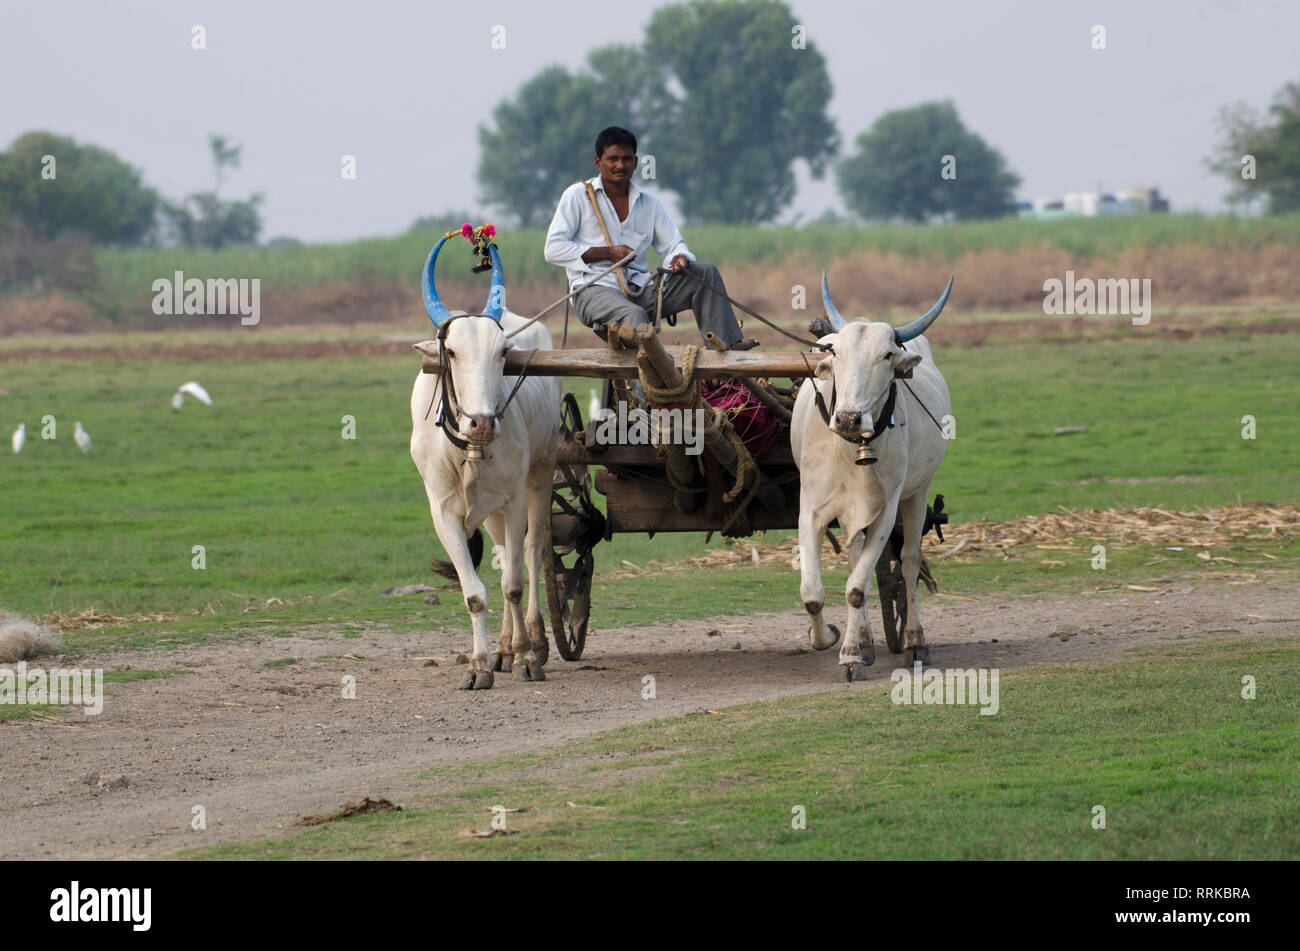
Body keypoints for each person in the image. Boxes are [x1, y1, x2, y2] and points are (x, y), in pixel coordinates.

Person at [543, 126, 757, 350]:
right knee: (634, 316)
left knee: (705, 273)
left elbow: (674, 245)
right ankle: (647, 385)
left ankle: (728, 355)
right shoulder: (578, 196)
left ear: (635, 163)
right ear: (598, 162)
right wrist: (606, 253)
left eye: (626, 159)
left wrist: (679, 258)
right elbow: (553, 249)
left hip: (638, 287)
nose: (620, 165)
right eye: (612, 159)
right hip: (592, 290)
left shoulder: (649, 203)